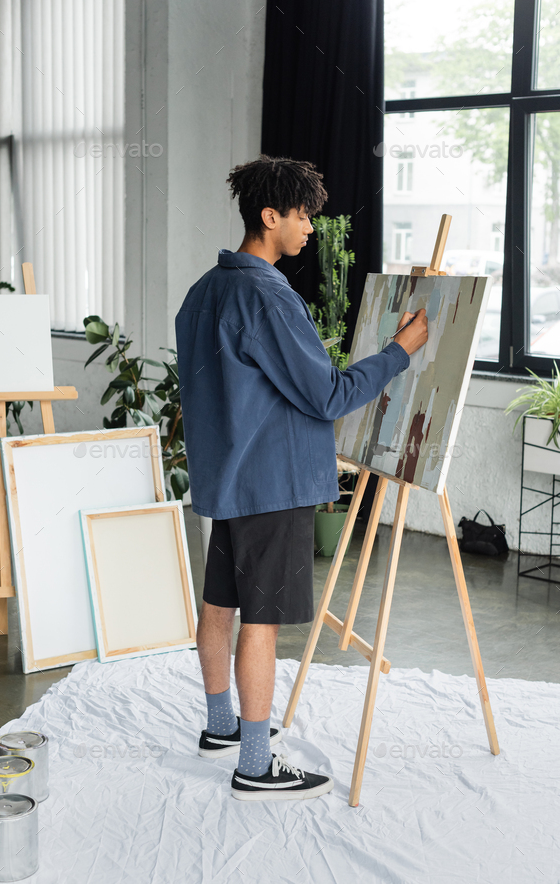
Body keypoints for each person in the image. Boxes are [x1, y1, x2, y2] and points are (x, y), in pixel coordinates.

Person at [175, 155, 428, 802]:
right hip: (273, 484)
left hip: (227, 481)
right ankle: (255, 764)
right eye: (303, 216)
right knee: (258, 621)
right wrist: (398, 353)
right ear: (270, 217)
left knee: (220, 605)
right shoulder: (266, 295)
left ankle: (219, 727)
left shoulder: (204, 291)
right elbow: (327, 397)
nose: (311, 229)